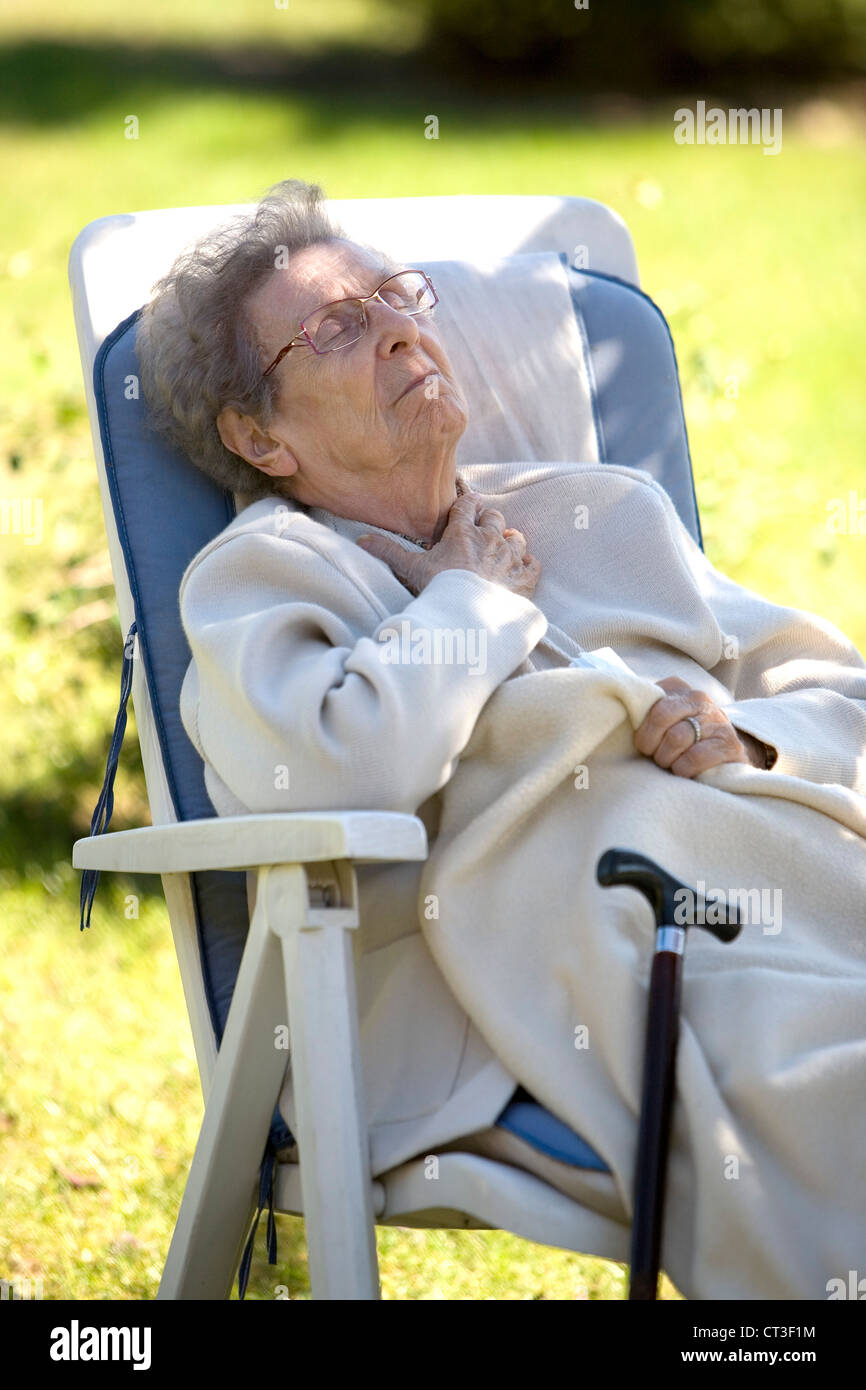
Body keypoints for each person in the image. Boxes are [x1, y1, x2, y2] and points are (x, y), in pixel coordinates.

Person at [136, 179, 866, 1298]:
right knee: (828, 1070)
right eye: (336, 325)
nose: (395, 327)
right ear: (257, 434)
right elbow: (338, 772)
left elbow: (835, 695)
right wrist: (472, 605)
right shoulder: (259, 581)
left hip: (788, 881)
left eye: (394, 297)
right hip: (568, 960)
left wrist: (743, 738)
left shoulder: (601, 508)